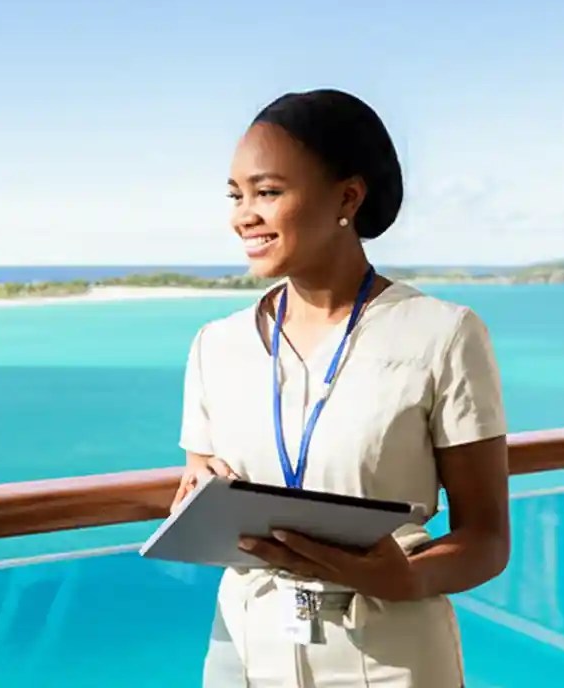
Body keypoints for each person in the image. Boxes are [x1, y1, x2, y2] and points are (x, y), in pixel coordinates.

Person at [171, 88, 511, 687]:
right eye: (236, 195)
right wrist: (195, 503)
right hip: (245, 651)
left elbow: (486, 538)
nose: (242, 214)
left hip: (389, 656)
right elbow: (197, 487)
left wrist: (409, 577)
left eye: (267, 192)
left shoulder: (444, 334)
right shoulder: (215, 346)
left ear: (347, 197)